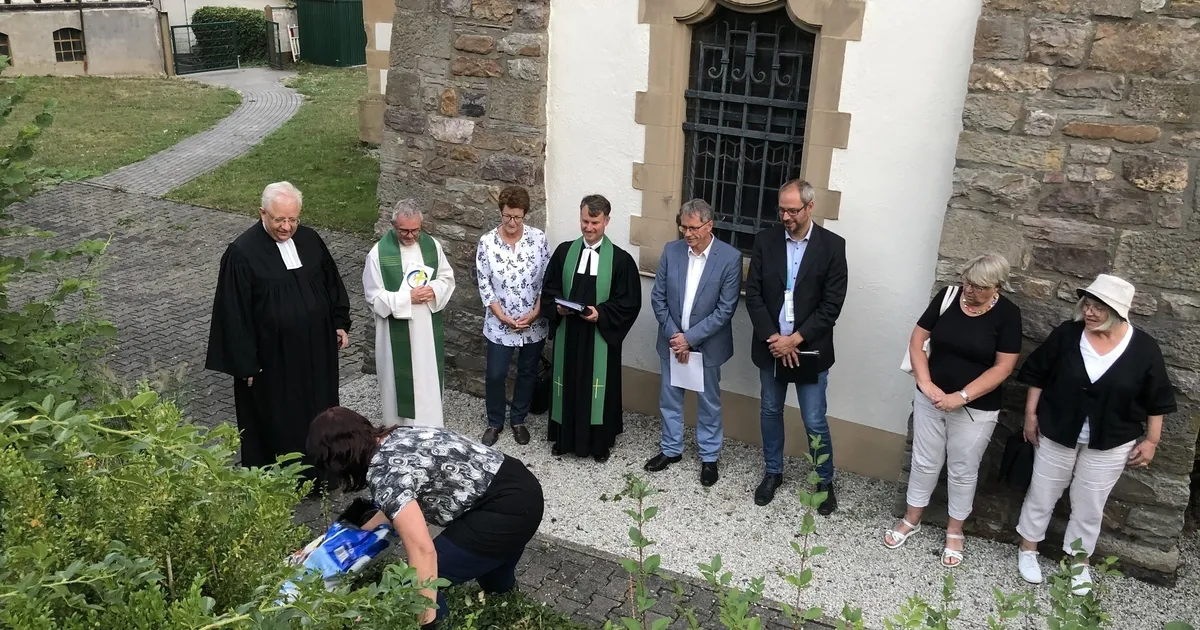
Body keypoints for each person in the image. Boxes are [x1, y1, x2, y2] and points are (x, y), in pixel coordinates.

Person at [307, 407, 544, 629]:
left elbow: (423, 551)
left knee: (414, 582)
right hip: (521, 486)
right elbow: (394, 507)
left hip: (503, 511)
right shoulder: (397, 436)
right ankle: (504, 594)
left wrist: (426, 621)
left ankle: (438, 622)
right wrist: (336, 544)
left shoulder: (385, 475)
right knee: (494, 576)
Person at [1014, 274, 1175, 594]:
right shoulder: (1066, 335)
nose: (1088, 312)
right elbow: (1038, 375)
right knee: (1042, 490)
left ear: (1117, 312)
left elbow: (1157, 398)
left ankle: (1078, 561)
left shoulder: (1143, 348)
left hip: (1111, 440)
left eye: (1098, 307)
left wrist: (1152, 440)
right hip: (1058, 429)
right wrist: (1030, 416)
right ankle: (1028, 548)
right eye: (1087, 305)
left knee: (1090, 502)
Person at [882, 254, 1022, 567]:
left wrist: (962, 396)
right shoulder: (947, 296)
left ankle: (955, 530)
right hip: (931, 399)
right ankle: (912, 517)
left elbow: (1003, 367)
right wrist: (926, 382)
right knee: (924, 460)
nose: (969, 290)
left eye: (979, 287)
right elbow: (918, 340)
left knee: (962, 469)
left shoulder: (1008, 315)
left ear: (997, 286)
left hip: (976, 409)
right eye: (967, 282)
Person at [205, 181, 350, 480]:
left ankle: (320, 473)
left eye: (293, 219)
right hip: (273, 360)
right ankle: (280, 479)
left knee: (321, 413)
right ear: (262, 213)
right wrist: (244, 361)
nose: (287, 227)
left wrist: (338, 321)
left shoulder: (309, 240)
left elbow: (331, 283)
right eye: (279, 219)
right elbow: (233, 311)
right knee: (280, 417)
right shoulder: (242, 253)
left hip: (317, 352)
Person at [744, 178, 847, 511]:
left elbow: (832, 305)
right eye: (782, 210)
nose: (786, 217)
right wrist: (775, 339)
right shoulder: (765, 241)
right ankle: (773, 472)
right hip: (772, 346)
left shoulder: (832, 246)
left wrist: (795, 340)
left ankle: (823, 479)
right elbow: (754, 293)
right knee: (770, 411)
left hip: (809, 347)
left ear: (810, 207)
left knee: (814, 419)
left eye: (793, 210)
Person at [644, 199, 742, 486]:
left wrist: (690, 338)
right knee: (670, 398)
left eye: (693, 228)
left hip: (706, 346)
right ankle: (671, 449)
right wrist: (676, 336)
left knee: (709, 402)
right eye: (683, 227)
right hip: (672, 341)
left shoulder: (729, 258)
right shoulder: (671, 251)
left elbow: (726, 309)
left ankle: (709, 457)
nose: (687, 233)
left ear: (709, 226)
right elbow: (658, 296)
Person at [542, 194, 642, 462]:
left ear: (607, 221)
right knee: (566, 382)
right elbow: (549, 289)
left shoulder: (620, 261)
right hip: (569, 335)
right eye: (585, 220)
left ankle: (599, 444)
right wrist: (558, 308)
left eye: (595, 222)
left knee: (599, 389)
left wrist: (602, 313)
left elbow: (629, 302)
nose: (588, 227)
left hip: (599, 337)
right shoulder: (564, 252)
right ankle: (564, 439)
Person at [363, 199, 456, 428]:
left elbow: (447, 278)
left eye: (415, 230)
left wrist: (433, 290)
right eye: (404, 230)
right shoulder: (378, 255)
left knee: (427, 380)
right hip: (394, 335)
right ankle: (399, 429)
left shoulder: (432, 246)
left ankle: (431, 427)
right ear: (393, 225)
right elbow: (373, 297)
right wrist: (408, 299)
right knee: (397, 383)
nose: (411, 235)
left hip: (426, 330)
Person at [475, 186, 551, 447]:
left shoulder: (538, 239)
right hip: (500, 323)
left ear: (525, 215)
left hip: (533, 321)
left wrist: (535, 313)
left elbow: (545, 280)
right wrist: (502, 317)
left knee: (528, 371)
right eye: (507, 216)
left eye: (517, 217)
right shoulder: (487, 243)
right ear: (501, 212)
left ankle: (518, 419)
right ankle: (494, 422)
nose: (512, 222)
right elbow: (484, 284)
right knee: (496, 374)